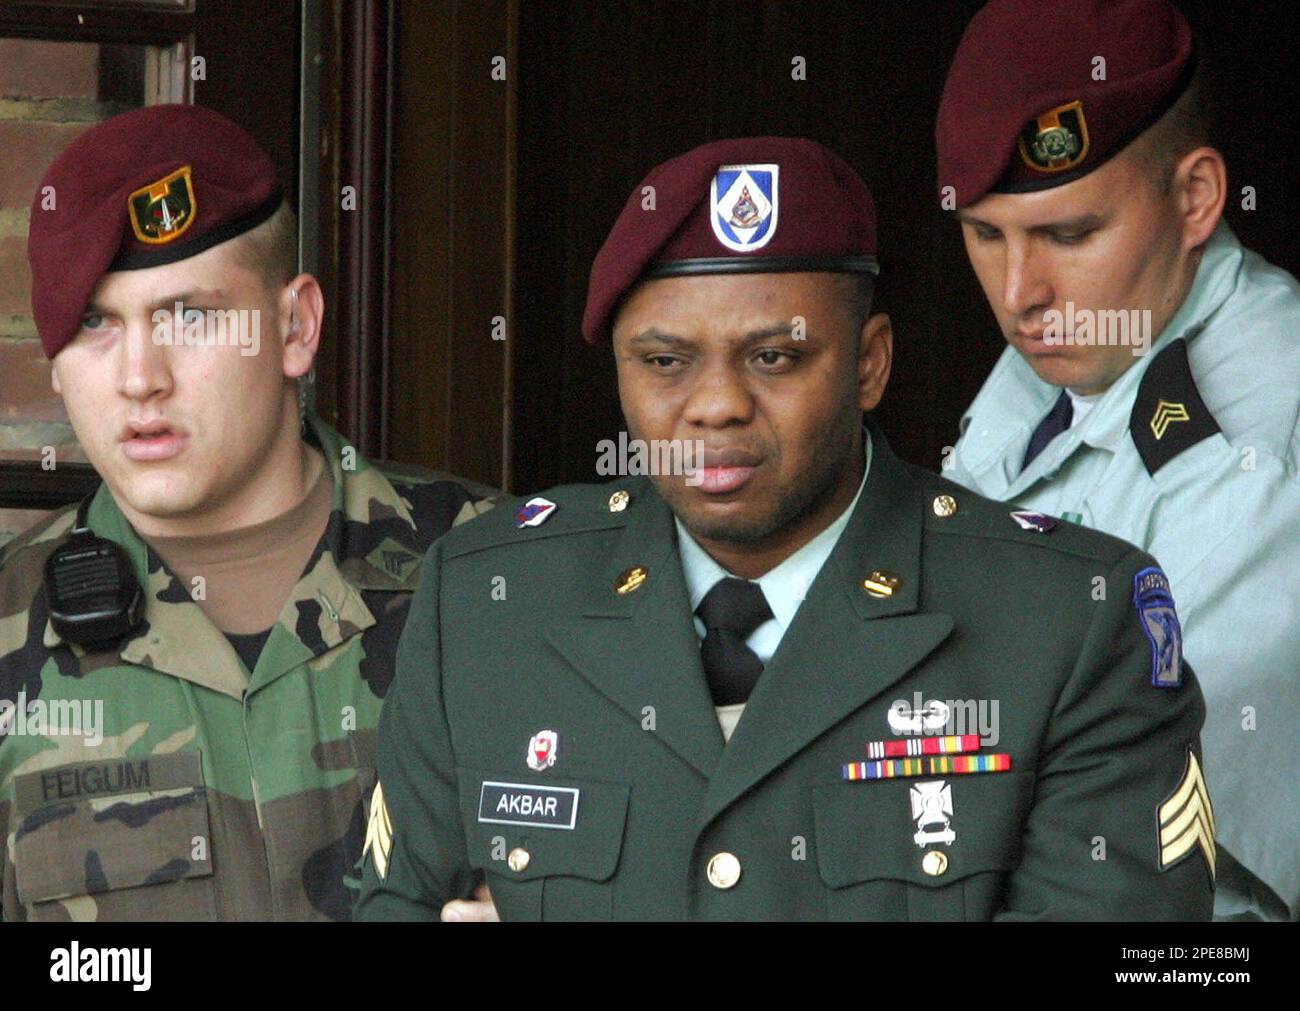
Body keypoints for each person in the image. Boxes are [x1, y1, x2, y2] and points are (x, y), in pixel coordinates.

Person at [357, 136, 1213, 921]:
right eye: (664, 362)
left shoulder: (1069, 618)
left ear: (869, 363)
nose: (718, 404)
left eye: (775, 357)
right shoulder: (483, 600)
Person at [0, 104, 494, 921]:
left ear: (294, 326)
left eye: (188, 316)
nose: (138, 377)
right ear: (53, 367)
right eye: (95, 323)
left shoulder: (504, 575)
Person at [935, 0, 1299, 920]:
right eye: (985, 234)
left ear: (1195, 200)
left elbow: (1124, 808)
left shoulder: (1267, 432)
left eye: (1068, 235)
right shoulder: (1088, 341)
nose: (1021, 295)